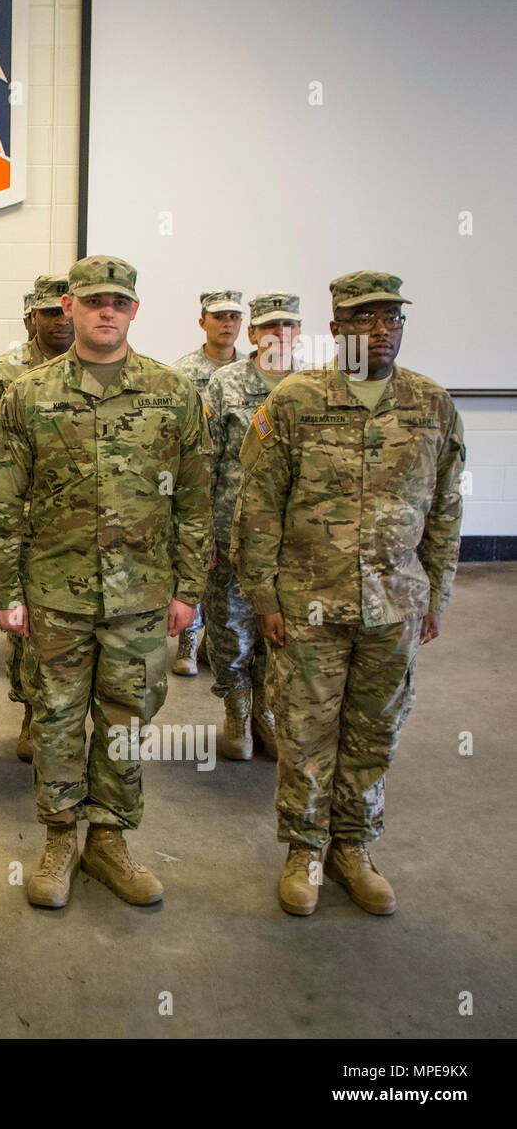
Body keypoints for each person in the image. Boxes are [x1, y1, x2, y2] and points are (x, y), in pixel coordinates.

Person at [0, 255, 211, 909]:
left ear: (134, 310)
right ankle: (58, 839)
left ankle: (108, 839)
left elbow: (196, 499)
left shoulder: (172, 394)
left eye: (118, 300)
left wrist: (188, 588)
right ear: (68, 310)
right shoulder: (27, 395)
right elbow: (3, 502)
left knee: (125, 720)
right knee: (54, 719)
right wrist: (5, 592)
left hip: (140, 593)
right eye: (93, 300)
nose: (106, 310)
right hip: (55, 590)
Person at [233, 271, 465, 917]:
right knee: (307, 731)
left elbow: (446, 509)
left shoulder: (432, 404)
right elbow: (258, 506)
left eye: (392, 316)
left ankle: (353, 847)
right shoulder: (294, 400)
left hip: (393, 603)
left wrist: (436, 595)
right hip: (310, 603)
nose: (382, 327)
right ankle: (305, 849)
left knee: (374, 730)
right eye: (365, 317)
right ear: (336, 330)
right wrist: (265, 597)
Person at [0, 274, 74, 762]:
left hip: (81, 530)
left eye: (65, 310)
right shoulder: (3, 374)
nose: (60, 321)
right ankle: (31, 710)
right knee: (25, 629)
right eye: (49, 312)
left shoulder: (104, 371)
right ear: (30, 318)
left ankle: (69, 717)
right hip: (21, 525)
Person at [203, 292, 300, 760]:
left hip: (292, 539)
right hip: (230, 530)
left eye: (289, 325)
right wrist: (204, 533)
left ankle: (269, 710)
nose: (280, 334)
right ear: (254, 333)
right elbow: (204, 461)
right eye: (270, 326)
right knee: (229, 624)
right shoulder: (225, 385)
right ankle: (237, 708)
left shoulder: (311, 388)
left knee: (281, 629)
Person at [170, 289, 246, 676]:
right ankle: (188, 636)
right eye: (218, 317)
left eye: (234, 317)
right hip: (194, 479)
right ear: (203, 322)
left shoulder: (252, 374)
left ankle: (213, 644)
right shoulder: (182, 373)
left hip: (235, 489)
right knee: (194, 560)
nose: (227, 324)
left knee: (229, 579)